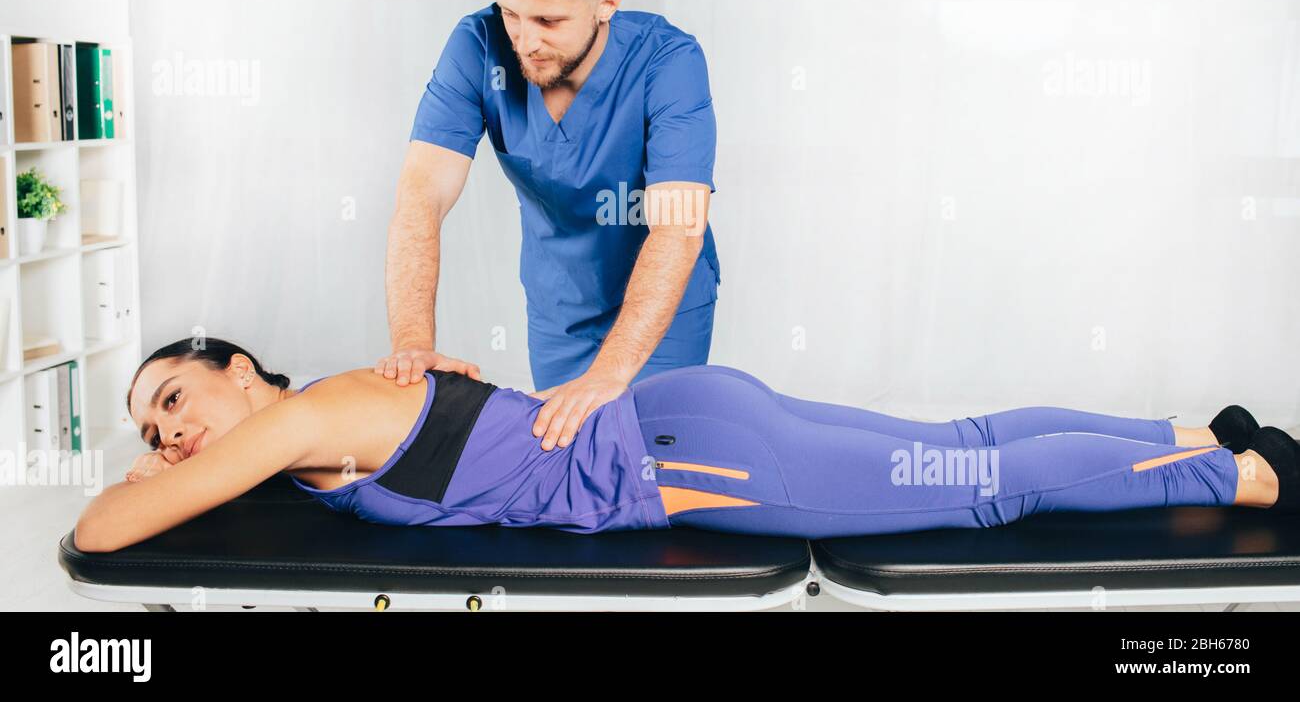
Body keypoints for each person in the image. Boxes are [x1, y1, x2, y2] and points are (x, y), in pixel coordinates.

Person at [73, 337, 1298, 554]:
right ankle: (1181, 430)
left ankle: (1227, 474)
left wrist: (142, 479)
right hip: (686, 414)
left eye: (174, 398)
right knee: (959, 441)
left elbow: (99, 530)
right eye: (152, 426)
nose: (170, 430)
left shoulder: (295, 416)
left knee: (974, 488)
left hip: (694, 467)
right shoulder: (323, 420)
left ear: (242, 373)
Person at [377, 0, 721, 452]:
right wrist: (414, 344)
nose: (524, 40)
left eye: (549, 20)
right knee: (566, 458)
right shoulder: (477, 45)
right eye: (511, 13)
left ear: (607, 3)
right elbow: (421, 196)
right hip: (559, 306)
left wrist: (610, 375)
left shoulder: (670, 61)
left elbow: (678, 227)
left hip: (663, 310)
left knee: (647, 463)